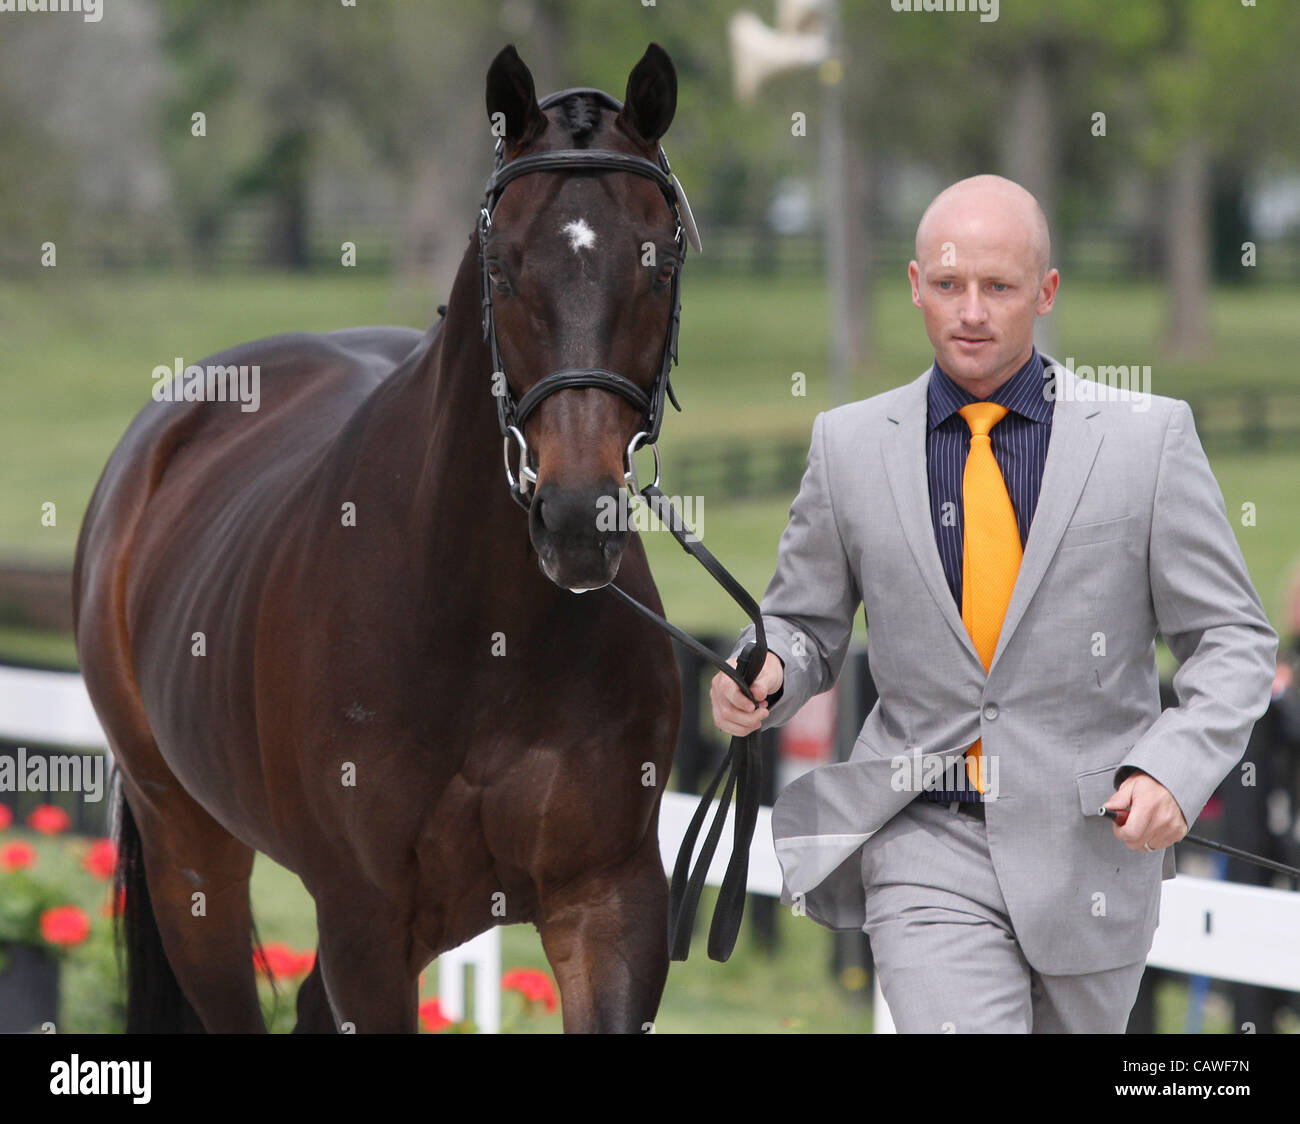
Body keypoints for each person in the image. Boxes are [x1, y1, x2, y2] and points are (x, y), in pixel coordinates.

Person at [711, 175, 1278, 1033]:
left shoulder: (1146, 440)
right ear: (913, 286)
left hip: (1092, 862)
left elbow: (1233, 640)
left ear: (1045, 293)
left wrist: (1172, 767)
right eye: (947, 286)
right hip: (922, 841)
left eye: (998, 287)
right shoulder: (849, 446)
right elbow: (804, 629)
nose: (970, 311)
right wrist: (766, 672)